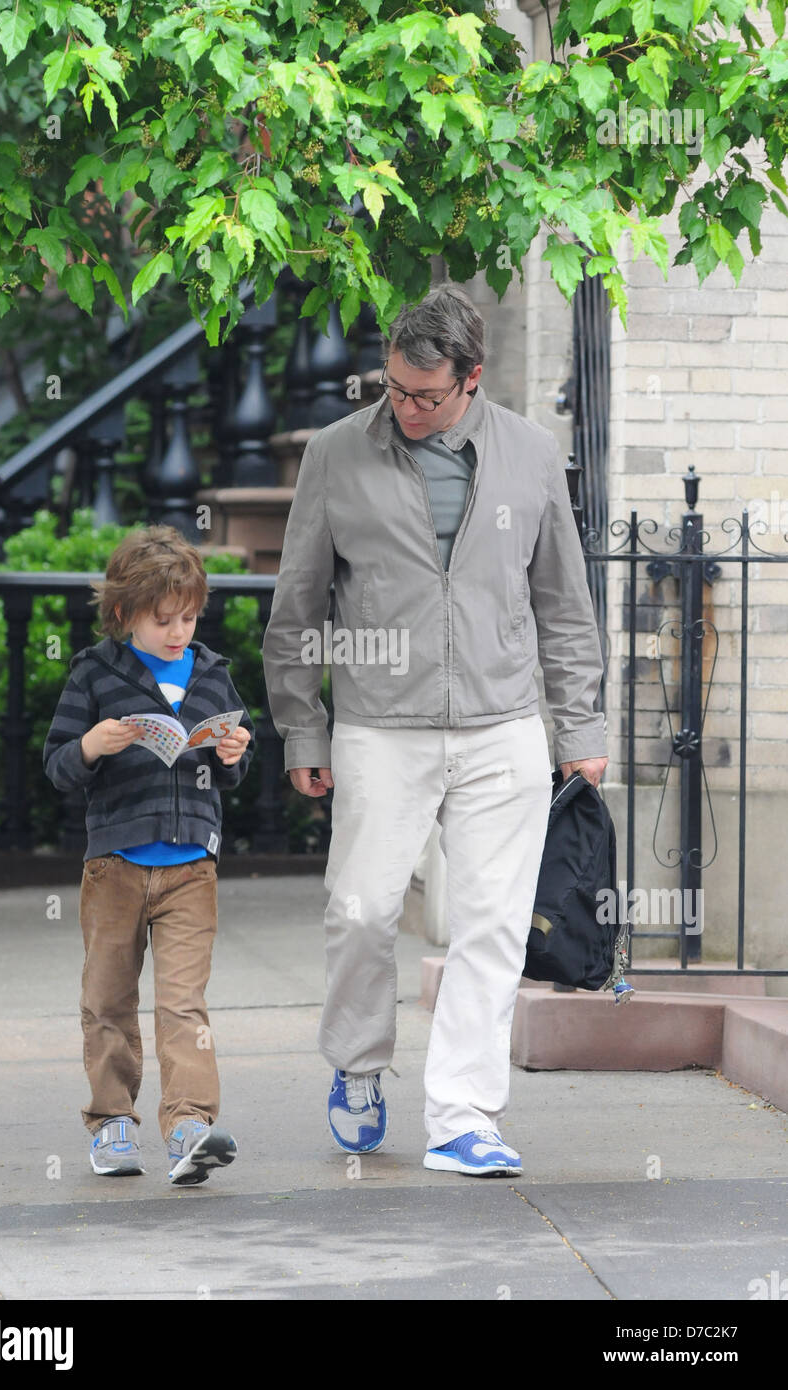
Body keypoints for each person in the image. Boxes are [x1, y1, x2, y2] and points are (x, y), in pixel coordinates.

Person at [262, 284, 608, 1177]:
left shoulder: (532, 455)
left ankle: (462, 1115)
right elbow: (297, 607)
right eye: (394, 389)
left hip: (504, 726)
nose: (406, 409)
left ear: (472, 380)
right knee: (360, 910)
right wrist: (303, 731)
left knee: (492, 926)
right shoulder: (337, 455)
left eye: (425, 395)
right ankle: (359, 1063)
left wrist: (580, 723)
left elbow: (565, 605)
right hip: (382, 724)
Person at [43, 525, 254, 1185]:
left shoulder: (213, 675)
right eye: (163, 619)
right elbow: (55, 768)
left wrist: (232, 755)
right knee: (107, 996)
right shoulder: (94, 673)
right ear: (123, 614)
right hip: (115, 865)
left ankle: (189, 1124)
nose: (178, 631)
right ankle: (112, 1123)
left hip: (193, 862)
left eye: (188, 616)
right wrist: (91, 747)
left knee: (183, 1002)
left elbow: (235, 776)